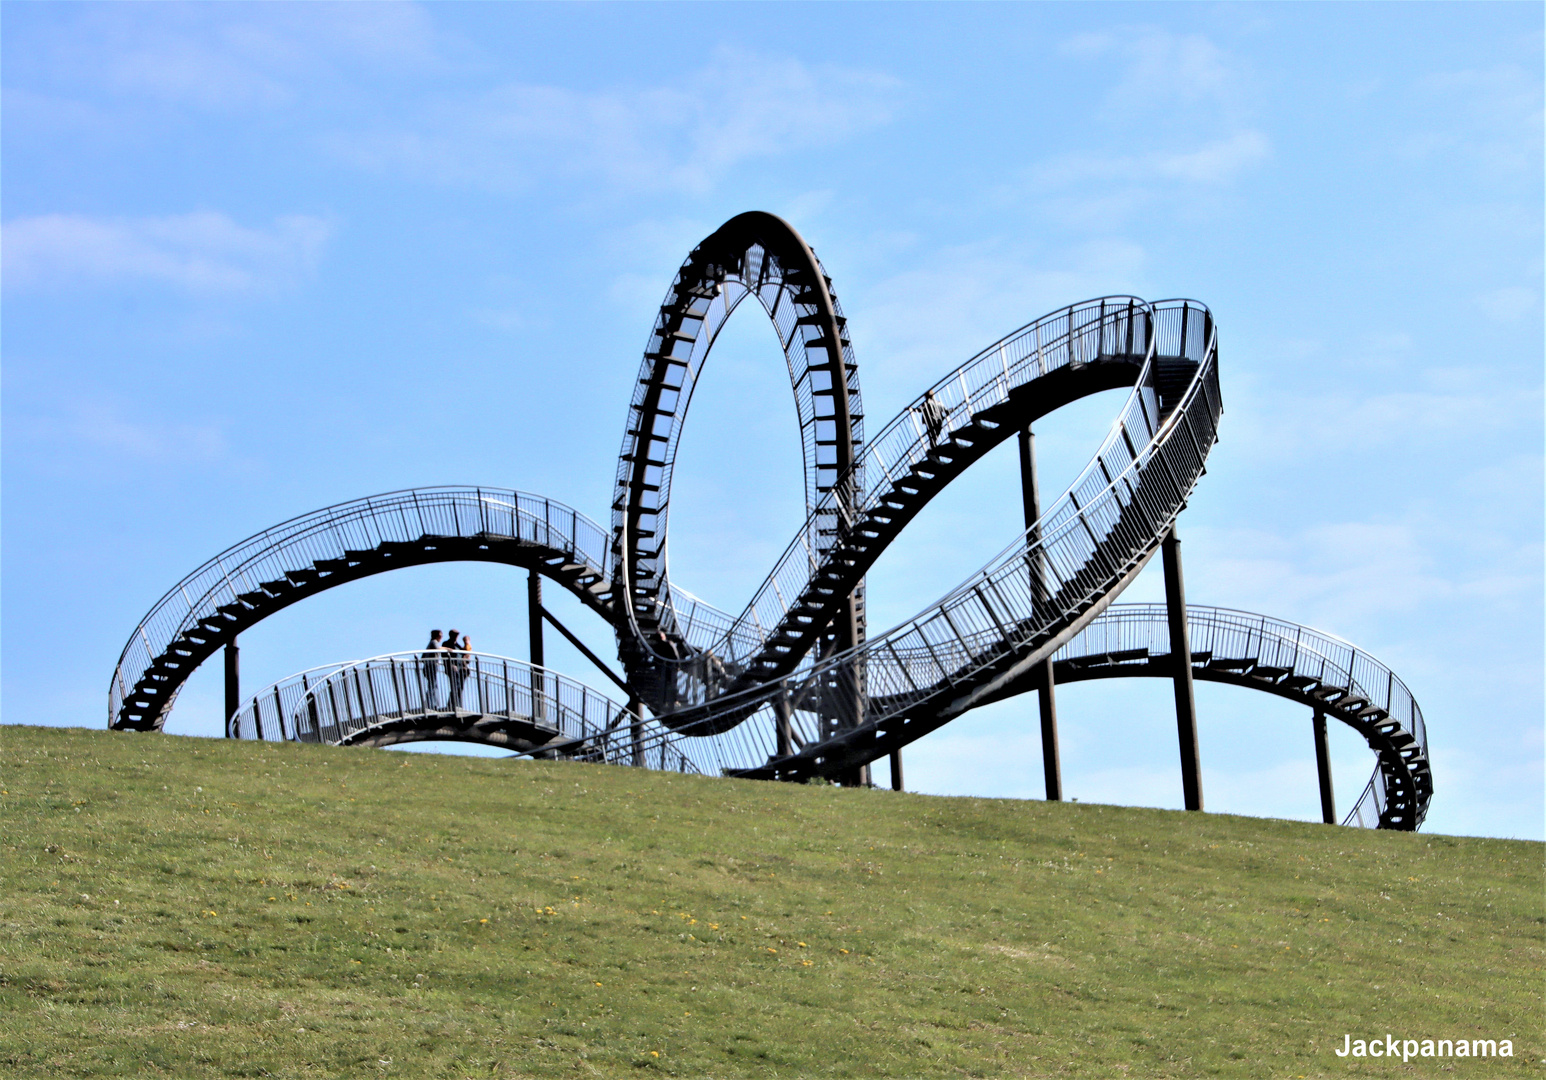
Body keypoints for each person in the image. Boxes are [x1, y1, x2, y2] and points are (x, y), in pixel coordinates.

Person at [443, 629, 470, 709]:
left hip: (461, 669)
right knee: (455, 686)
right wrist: (450, 665)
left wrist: (465, 665)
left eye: (457, 635)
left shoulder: (459, 646)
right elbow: (444, 656)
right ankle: (452, 705)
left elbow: (465, 657)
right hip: (453, 669)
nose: (456, 636)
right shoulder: (446, 644)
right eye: (454, 634)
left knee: (459, 687)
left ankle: (456, 704)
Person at [420, 630, 443, 709]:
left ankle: (429, 703)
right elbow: (438, 649)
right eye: (440, 635)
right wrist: (447, 649)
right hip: (431, 667)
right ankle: (432, 704)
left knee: (432, 685)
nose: (441, 637)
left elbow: (422, 658)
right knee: (433, 685)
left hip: (427, 667)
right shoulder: (434, 642)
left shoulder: (429, 644)